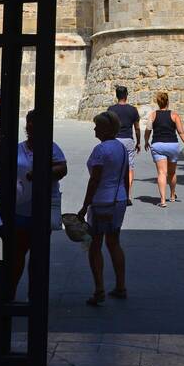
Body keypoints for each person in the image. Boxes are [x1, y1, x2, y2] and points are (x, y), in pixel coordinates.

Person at [10, 110, 68, 296]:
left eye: (33, 123)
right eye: (29, 123)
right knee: (16, 254)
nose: (30, 127)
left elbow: (62, 168)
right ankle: (9, 292)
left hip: (42, 208)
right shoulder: (18, 148)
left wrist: (41, 172)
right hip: (20, 209)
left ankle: (35, 296)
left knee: (38, 257)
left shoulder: (51, 147)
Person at [78, 110, 129, 306]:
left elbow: (95, 180)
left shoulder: (100, 150)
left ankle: (99, 289)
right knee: (114, 242)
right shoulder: (122, 148)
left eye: (97, 126)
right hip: (119, 199)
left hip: (101, 202)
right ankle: (120, 285)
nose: (94, 129)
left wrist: (84, 206)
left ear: (105, 129)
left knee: (95, 245)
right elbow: (125, 175)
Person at [144, 92, 184, 208]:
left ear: (158, 103)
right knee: (172, 172)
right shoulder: (174, 115)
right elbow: (181, 131)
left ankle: (163, 200)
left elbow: (148, 130)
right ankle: (172, 194)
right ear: (167, 102)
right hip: (172, 145)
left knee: (161, 173)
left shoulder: (153, 115)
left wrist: (146, 141)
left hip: (158, 145)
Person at [107, 84, 140, 206]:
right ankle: (127, 195)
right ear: (126, 95)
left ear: (116, 96)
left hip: (114, 140)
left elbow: (108, 125)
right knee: (129, 167)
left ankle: (113, 194)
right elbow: (137, 128)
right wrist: (139, 142)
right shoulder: (133, 110)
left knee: (113, 166)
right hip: (128, 140)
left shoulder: (111, 109)